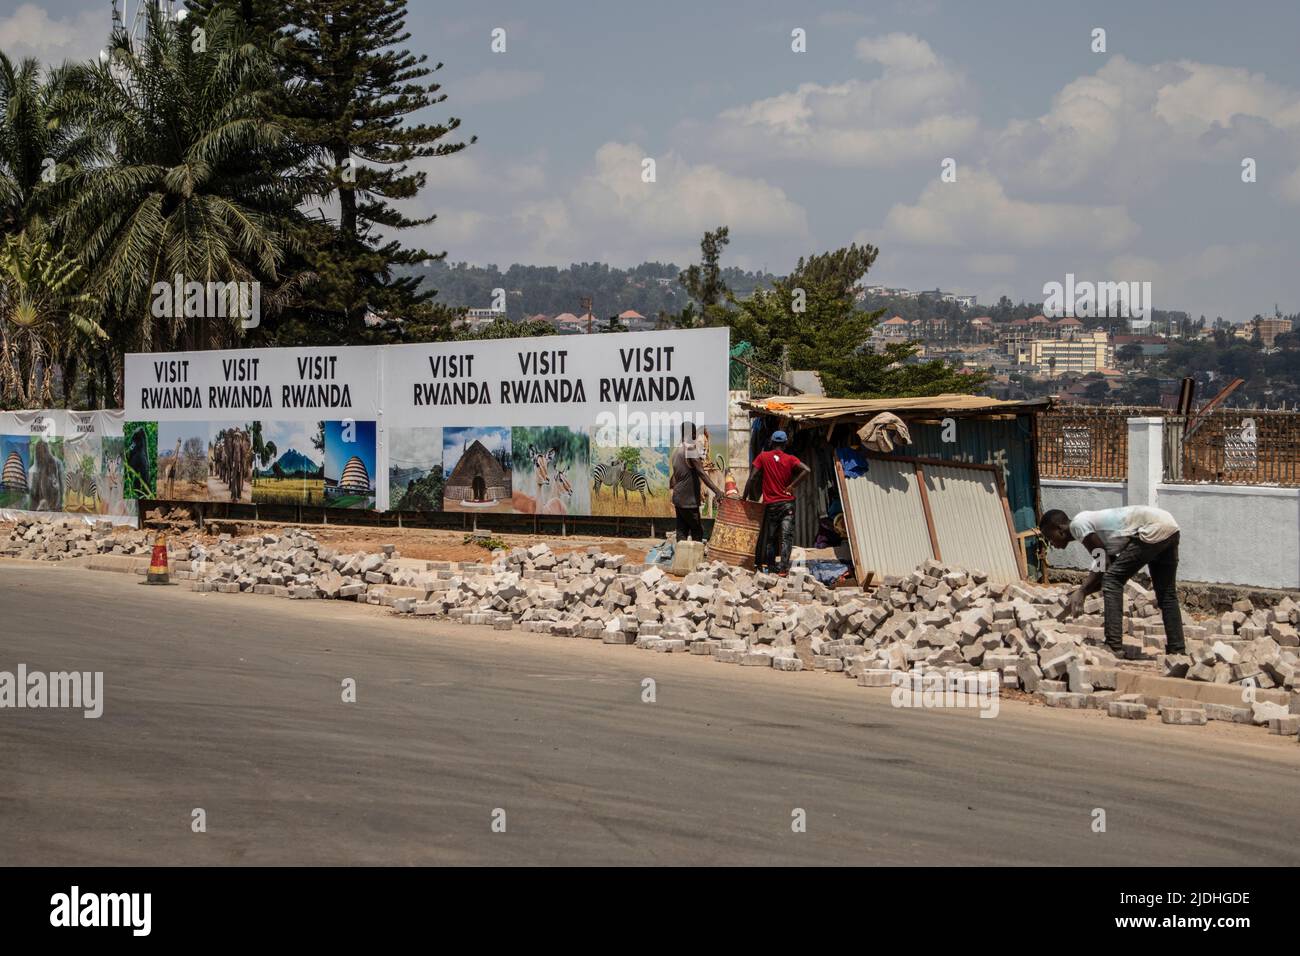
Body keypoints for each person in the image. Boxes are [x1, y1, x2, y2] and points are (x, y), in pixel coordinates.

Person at [1038, 506, 1185, 656]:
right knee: (1166, 594)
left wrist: (1082, 591)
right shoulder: (1090, 527)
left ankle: (1113, 646)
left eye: (1050, 538)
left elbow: (1103, 562)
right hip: (1170, 527)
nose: (1052, 544)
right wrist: (1083, 592)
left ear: (1060, 529)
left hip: (1152, 529)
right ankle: (1178, 650)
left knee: (1112, 580)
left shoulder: (1077, 525)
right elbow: (1107, 566)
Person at [745, 429, 811, 575]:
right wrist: (792, 486)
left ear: (771, 442)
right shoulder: (790, 459)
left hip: (771, 505)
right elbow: (807, 470)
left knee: (771, 538)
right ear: (785, 443)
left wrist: (744, 498)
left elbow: (752, 478)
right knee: (786, 537)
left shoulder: (763, 457)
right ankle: (783, 569)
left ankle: (771, 568)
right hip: (788, 504)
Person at [670, 422, 729, 542]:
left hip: (678, 498)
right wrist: (717, 491)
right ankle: (696, 560)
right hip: (688, 500)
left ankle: (682, 558)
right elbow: (701, 473)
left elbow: (674, 478)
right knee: (697, 530)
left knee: (682, 530)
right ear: (692, 434)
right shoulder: (690, 449)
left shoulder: (676, 451)